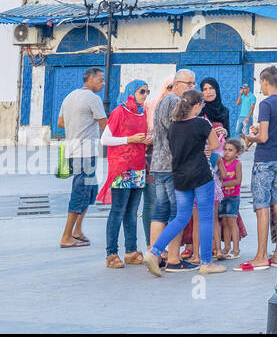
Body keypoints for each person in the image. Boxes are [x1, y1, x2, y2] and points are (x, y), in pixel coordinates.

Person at [142, 89, 225, 276]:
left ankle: (154, 251)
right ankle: (206, 262)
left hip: (179, 176)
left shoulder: (173, 126)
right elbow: (214, 146)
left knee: (181, 217)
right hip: (201, 175)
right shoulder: (202, 123)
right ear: (196, 105)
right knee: (205, 217)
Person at [242, 66, 277, 272]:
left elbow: (262, 138)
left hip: (264, 160)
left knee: (262, 207)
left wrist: (249, 137)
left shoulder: (266, 104)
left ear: (265, 81)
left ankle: (261, 255)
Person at [97, 79, 150, 267]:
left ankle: (131, 251)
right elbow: (105, 139)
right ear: (131, 92)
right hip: (122, 167)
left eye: (147, 92)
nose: (145, 95)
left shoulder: (142, 113)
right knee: (118, 211)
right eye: (142, 91)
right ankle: (111, 254)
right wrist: (130, 139)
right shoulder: (119, 112)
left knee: (132, 212)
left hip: (138, 167)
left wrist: (145, 140)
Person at [148, 71, 196, 271]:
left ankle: (154, 254)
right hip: (171, 164)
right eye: (189, 83)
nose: (192, 87)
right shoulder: (175, 101)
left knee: (161, 209)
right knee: (177, 212)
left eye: (194, 83)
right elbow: (177, 132)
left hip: (158, 164)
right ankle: (174, 259)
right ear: (177, 84)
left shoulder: (163, 101)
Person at [57, 67, 107, 249]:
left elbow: (61, 123)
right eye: (101, 80)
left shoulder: (69, 96)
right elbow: (104, 124)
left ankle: (77, 230)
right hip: (85, 152)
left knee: (90, 190)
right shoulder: (93, 98)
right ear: (91, 79)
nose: (103, 83)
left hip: (73, 149)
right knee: (80, 191)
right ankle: (66, 236)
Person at [217, 138, 243, 260]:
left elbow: (238, 181)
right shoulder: (221, 162)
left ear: (237, 153)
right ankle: (226, 247)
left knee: (232, 221)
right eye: (225, 150)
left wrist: (222, 184)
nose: (226, 153)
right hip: (222, 196)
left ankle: (236, 248)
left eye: (230, 150)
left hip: (233, 197)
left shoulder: (237, 163)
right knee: (225, 222)